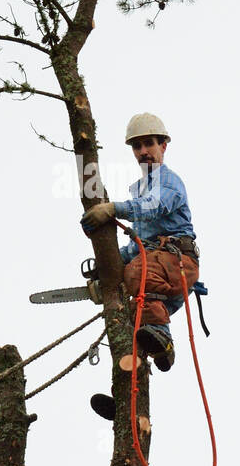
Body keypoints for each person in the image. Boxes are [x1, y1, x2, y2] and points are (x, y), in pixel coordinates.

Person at [80, 114, 200, 421]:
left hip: (176, 264)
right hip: (157, 269)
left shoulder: (168, 182)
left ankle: (164, 340)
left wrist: (112, 209)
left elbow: (155, 206)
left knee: (136, 273)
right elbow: (138, 246)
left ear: (163, 145)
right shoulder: (141, 189)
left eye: (149, 144)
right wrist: (106, 266)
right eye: (137, 147)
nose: (143, 151)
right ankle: (126, 397)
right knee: (129, 326)